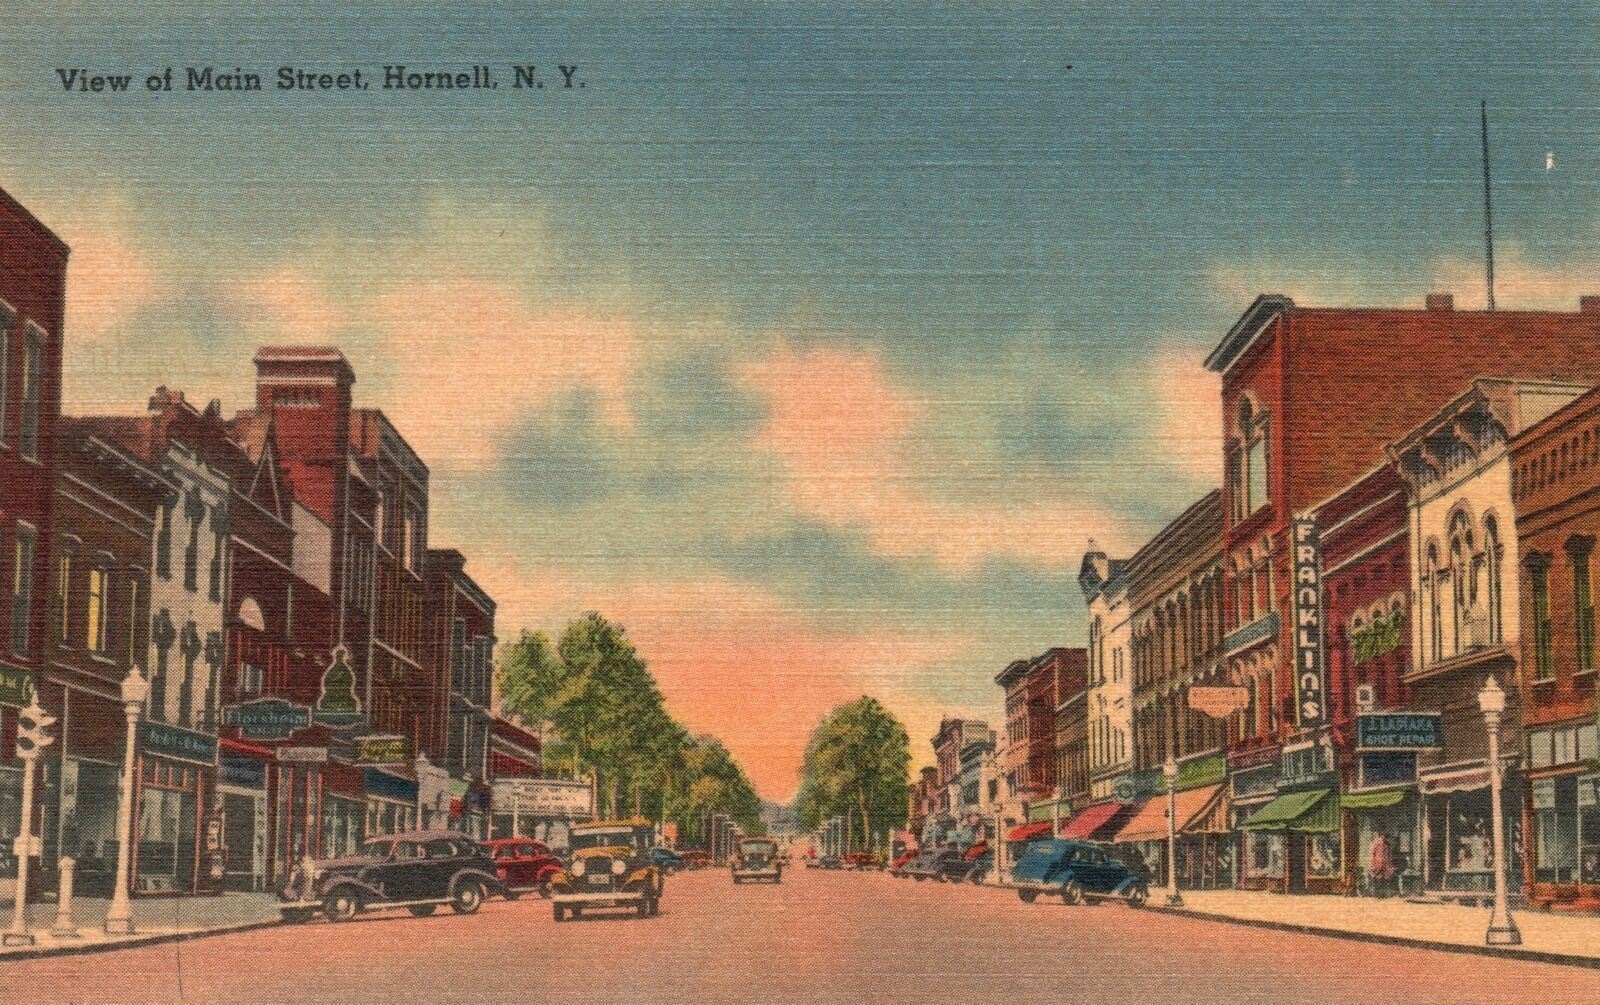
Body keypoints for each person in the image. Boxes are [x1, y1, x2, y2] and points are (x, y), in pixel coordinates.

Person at [1369, 832, 1395, 897]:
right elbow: (1372, 854)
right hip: (1378, 863)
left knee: (1383, 878)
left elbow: (1388, 855)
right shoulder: (1377, 843)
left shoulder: (1385, 844)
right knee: (1379, 878)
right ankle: (1378, 894)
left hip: (1383, 863)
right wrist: (1372, 863)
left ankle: (1381, 894)